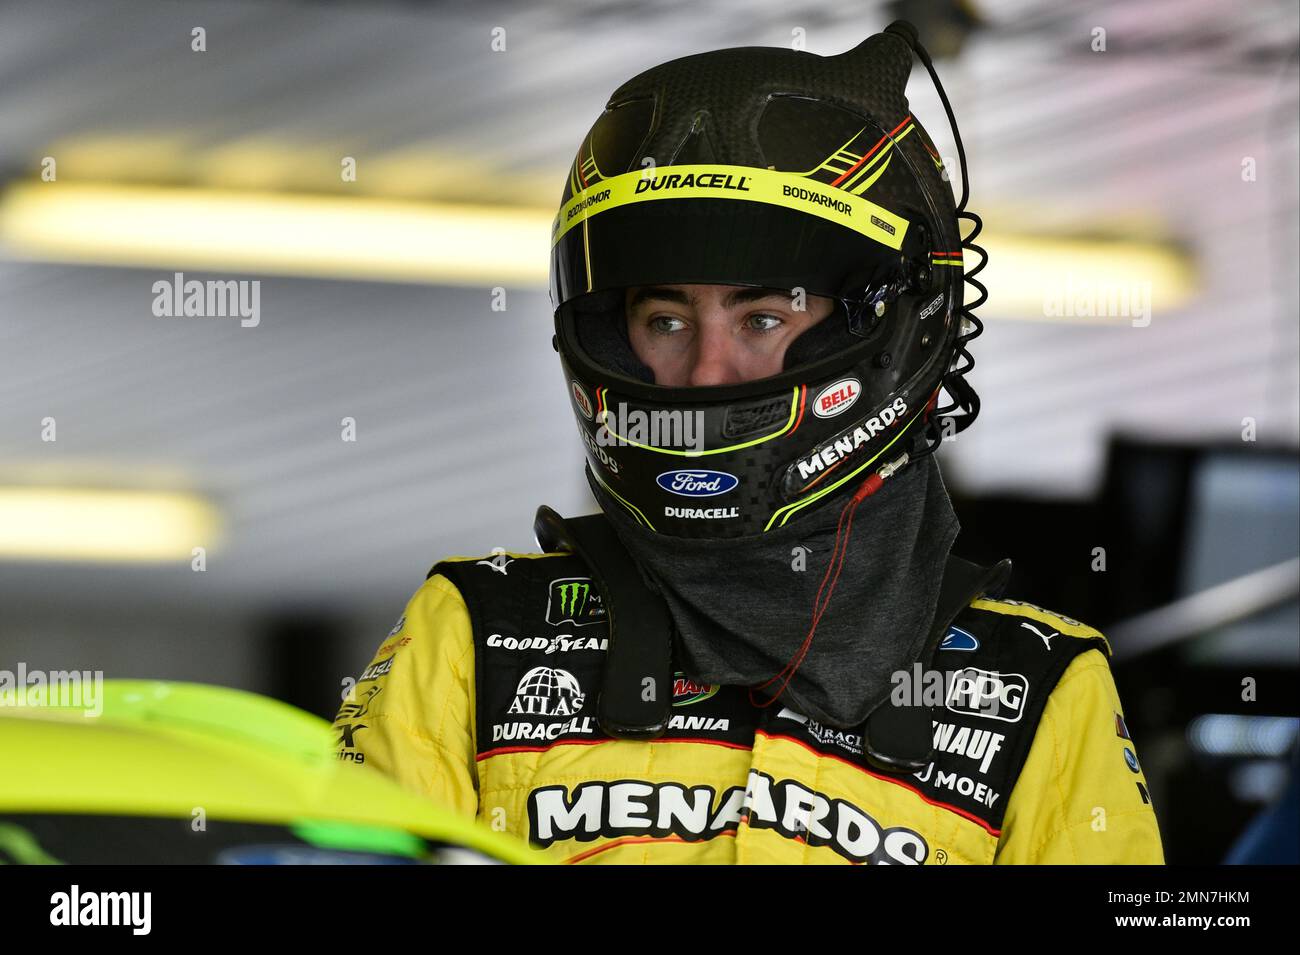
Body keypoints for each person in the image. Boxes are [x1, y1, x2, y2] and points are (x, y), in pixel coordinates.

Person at [331, 21, 1165, 864]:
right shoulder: (474, 635)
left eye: (762, 318)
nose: (704, 371)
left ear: (895, 329)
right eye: (664, 321)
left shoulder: (1039, 688)